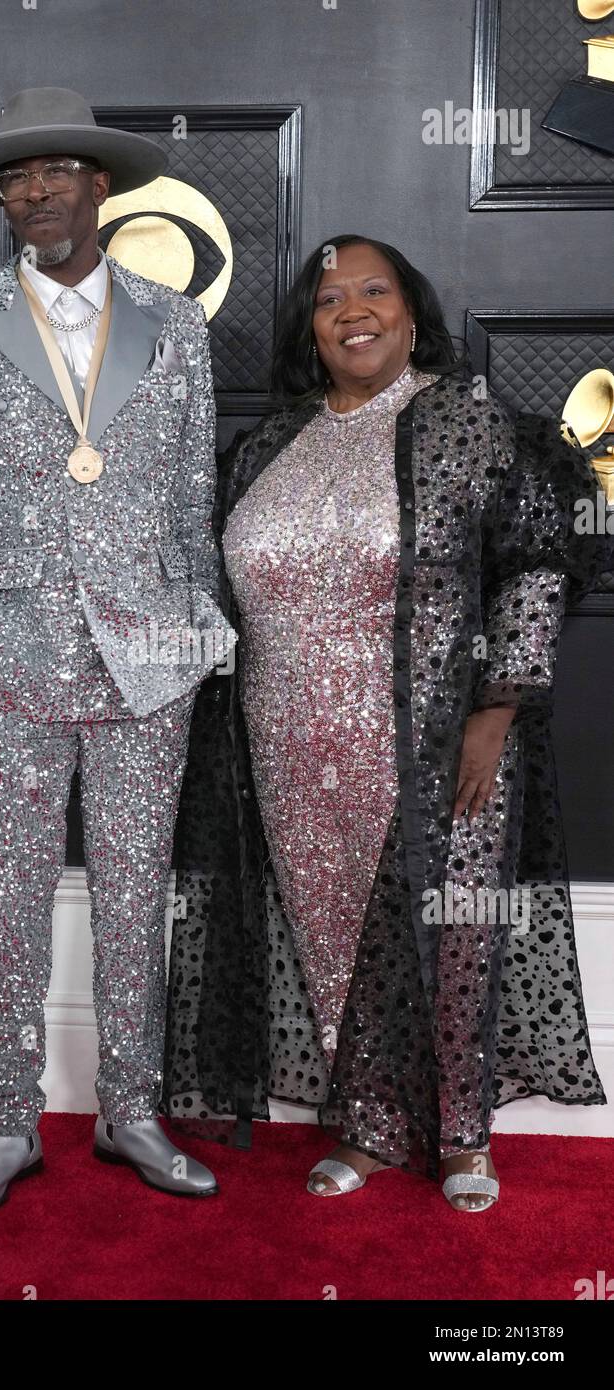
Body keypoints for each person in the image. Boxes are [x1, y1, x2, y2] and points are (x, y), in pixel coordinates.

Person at [162, 234, 610, 1212]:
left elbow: (538, 554)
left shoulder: (461, 417)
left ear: (411, 314)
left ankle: (458, 1139)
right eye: (329, 298)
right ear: (309, 327)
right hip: (286, 745)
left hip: (431, 741)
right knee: (329, 941)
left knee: (450, 939)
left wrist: (498, 704)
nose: (351, 310)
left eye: (375, 291)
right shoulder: (269, 447)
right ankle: (367, 1122)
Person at [0, 87, 236, 1219]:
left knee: (140, 895)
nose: (32, 193)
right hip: (6, 658)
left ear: (100, 185)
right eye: (13, 179)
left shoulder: (176, 326)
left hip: (149, 663)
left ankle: (131, 1113)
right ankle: (6, 1124)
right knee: (15, 895)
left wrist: (191, 637)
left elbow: (194, 504)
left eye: (52, 173)